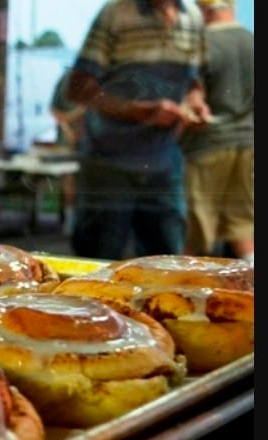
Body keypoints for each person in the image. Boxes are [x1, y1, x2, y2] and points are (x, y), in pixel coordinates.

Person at [65, 0, 211, 260]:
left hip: (164, 166)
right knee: (96, 265)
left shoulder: (193, 16)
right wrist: (137, 110)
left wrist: (195, 104)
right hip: (108, 166)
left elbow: (193, 81)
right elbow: (78, 87)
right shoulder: (117, 13)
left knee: (168, 269)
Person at [179, 0, 254, 263]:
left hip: (206, 146)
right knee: (242, 224)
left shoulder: (200, 44)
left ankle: (179, 295)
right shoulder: (251, 41)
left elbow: (189, 103)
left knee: (195, 232)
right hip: (247, 144)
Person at [49, 68, 85, 235]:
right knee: (70, 181)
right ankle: (70, 221)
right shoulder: (67, 78)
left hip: (92, 144)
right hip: (69, 143)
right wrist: (68, 126)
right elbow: (54, 110)